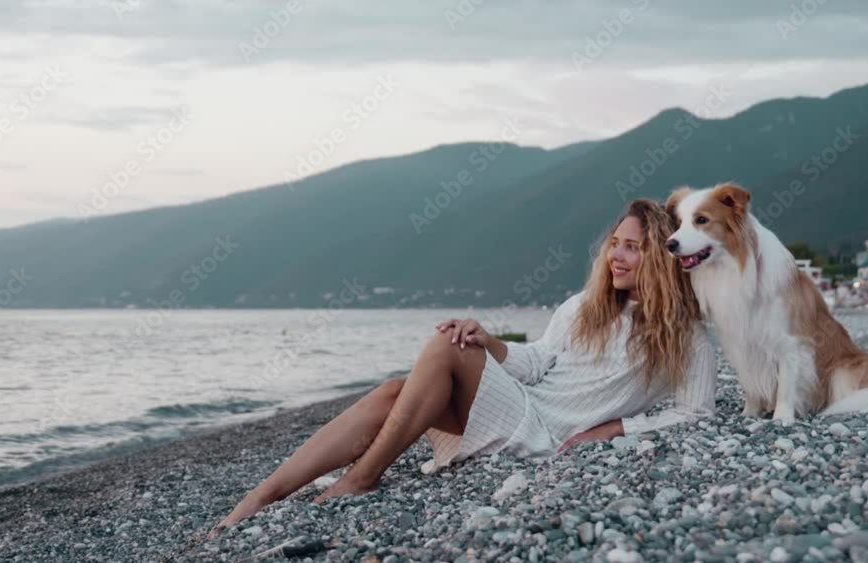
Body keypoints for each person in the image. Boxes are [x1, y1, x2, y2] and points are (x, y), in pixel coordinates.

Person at [208, 199, 716, 539]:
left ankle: (362, 478)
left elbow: (698, 411)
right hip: (526, 406)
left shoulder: (685, 333)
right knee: (394, 390)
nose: (617, 256)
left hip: (545, 433)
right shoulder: (584, 305)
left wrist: (614, 428)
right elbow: (537, 363)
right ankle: (261, 496)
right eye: (616, 243)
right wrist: (489, 341)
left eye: (634, 247)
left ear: (666, 256)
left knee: (445, 350)